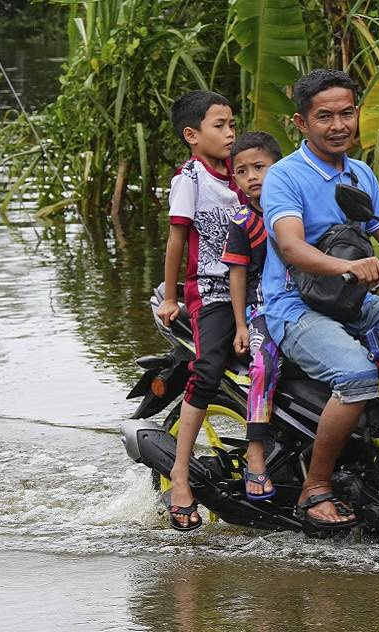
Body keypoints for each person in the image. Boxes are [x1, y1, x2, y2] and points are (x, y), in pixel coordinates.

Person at [259, 69, 379, 530]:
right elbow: (291, 246)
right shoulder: (285, 177)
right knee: (356, 375)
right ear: (301, 123)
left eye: (347, 114)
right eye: (325, 116)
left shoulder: (359, 172)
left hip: (353, 302)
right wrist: (349, 266)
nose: (338, 125)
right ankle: (316, 486)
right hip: (296, 307)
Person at [158, 90, 243, 531]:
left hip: (253, 286)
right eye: (219, 126)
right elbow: (177, 241)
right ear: (192, 135)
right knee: (206, 370)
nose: (230, 134)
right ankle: (179, 473)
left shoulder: (244, 171)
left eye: (232, 124)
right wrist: (172, 298)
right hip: (209, 290)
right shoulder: (189, 179)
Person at [221, 131, 283, 501]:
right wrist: (242, 325)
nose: (251, 177)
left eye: (259, 167)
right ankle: (255, 457)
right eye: (241, 171)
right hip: (263, 308)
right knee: (264, 365)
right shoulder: (243, 221)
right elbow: (238, 275)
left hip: (304, 302)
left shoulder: (294, 207)